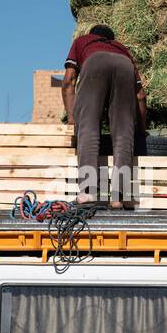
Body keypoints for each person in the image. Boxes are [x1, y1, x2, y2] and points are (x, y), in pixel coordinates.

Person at [63, 24, 148, 207]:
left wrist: (72, 118)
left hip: (95, 62)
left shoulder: (82, 41)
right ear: (111, 39)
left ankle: (87, 192)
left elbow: (69, 80)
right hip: (123, 66)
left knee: (89, 129)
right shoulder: (122, 49)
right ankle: (118, 197)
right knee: (124, 135)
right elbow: (140, 96)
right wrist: (141, 129)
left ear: (92, 34)